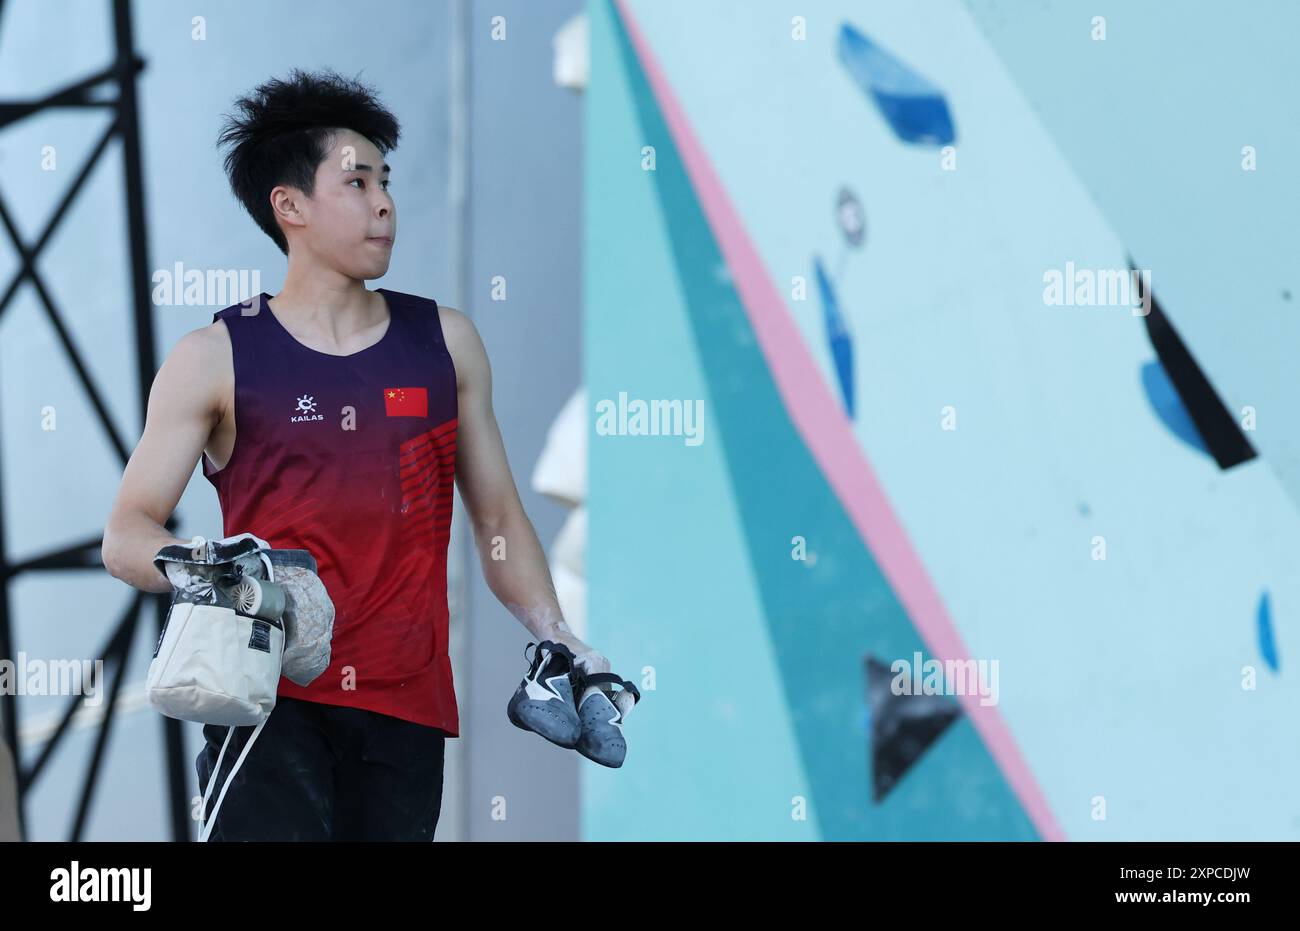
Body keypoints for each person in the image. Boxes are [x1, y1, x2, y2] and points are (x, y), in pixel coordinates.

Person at [100, 68, 607, 841]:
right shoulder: (213, 358)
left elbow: (498, 517)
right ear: (290, 205)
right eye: (357, 180)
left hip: (408, 712)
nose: (384, 203)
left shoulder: (448, 343)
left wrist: (557, 633)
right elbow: (128, 534)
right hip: (268, 704)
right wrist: (225, 573)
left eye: (387, 181)